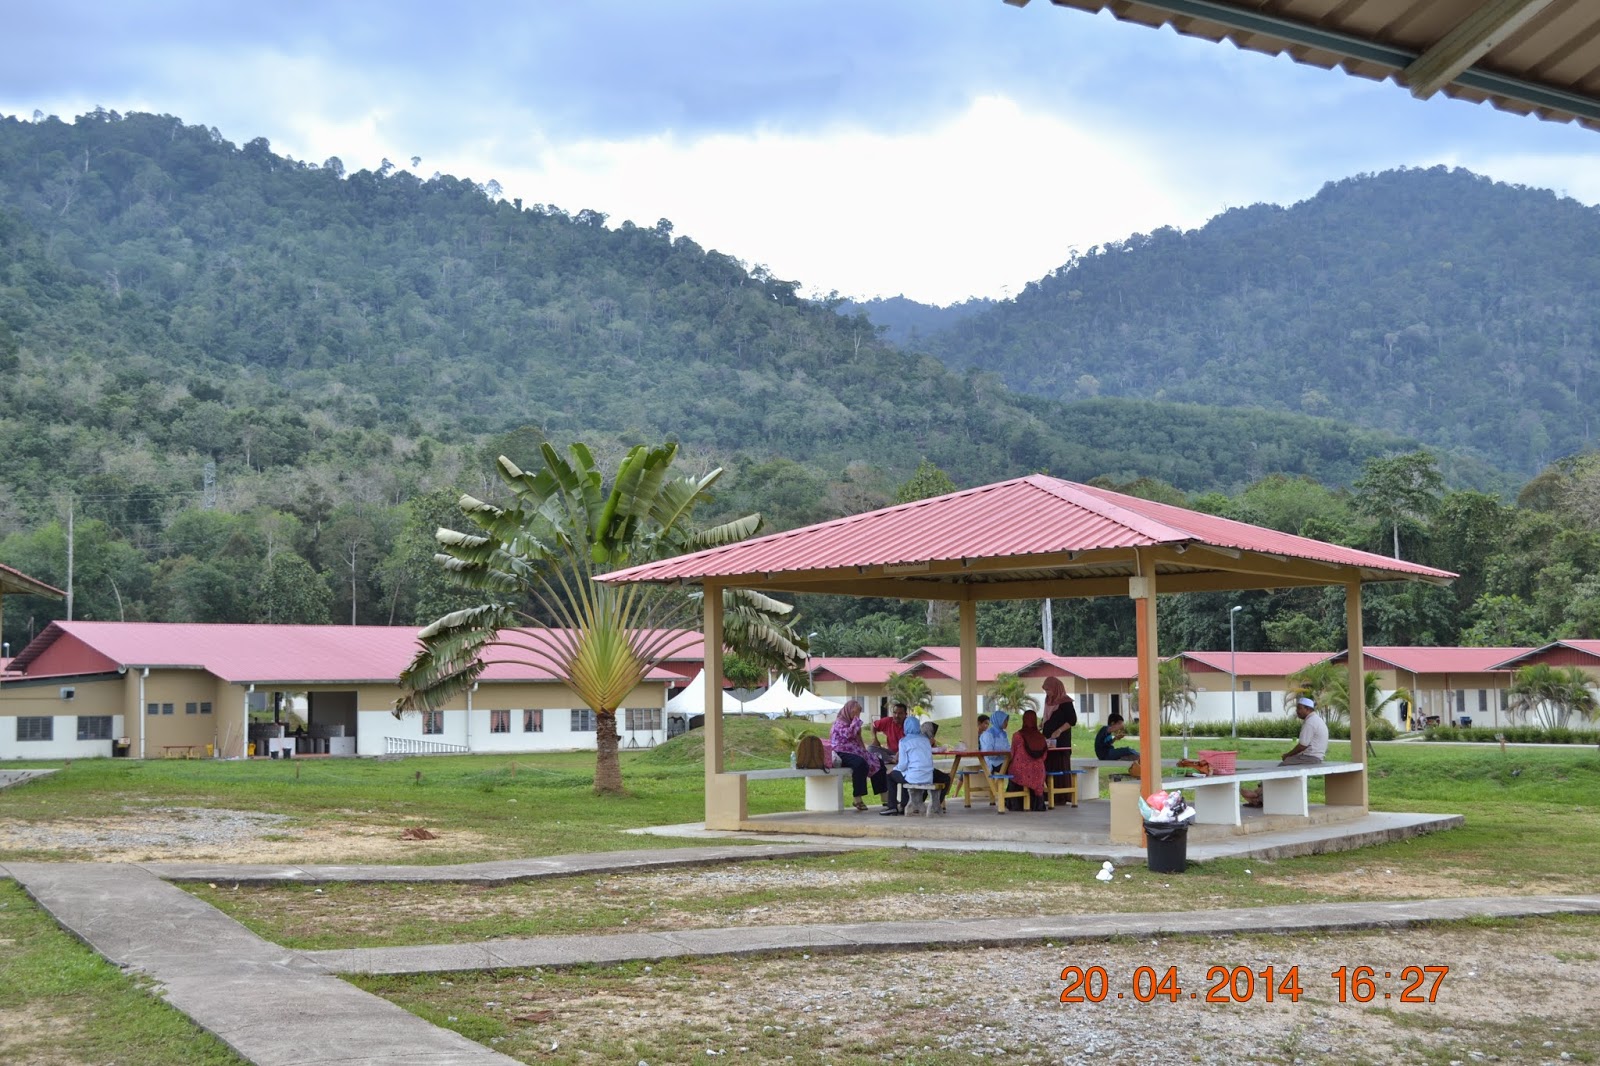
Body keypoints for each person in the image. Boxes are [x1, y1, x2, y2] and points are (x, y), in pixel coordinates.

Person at [881, 715, 950, 815]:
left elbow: (903, 765)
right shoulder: (926, 740)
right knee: (945, 778)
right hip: (928, 776)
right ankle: (933, 804)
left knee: (891, 776)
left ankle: (892, 807)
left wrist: (893, 769)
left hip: (913, 776)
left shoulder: (904, 741)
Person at [829, 699, 888, 812]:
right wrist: (856, 719)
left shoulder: (852, 723)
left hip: (855, 751)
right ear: (847, 711)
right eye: (854, 712)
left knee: (878, 762)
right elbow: (848, 734)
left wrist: (865, 752)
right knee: (860, 764)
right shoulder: (839, 723)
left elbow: (858, 739)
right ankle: (857, 798)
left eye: (858, 712)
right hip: (841, 751)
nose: (856, 715)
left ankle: (885, 797)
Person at [1008, 709, 1051, 811]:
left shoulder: (1017, 736)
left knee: (1012, 770)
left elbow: (1012, 754)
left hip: (1020, 772)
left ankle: (1015, 804)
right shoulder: (1041, 737)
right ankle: (1037, 805)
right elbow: (1044, 756)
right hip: (1038, 773)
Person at [1039, 676, 1077, 778]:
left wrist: (1059, 730)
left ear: (1056, 688)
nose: (1047, 693)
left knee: (1060, 769)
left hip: (1061, 743)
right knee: (1049, 767)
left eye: (1049, 690)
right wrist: (1043, 722)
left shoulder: (1065, 702)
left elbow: (1072, 720)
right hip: (1048, 741)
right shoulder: (1048, 700)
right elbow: (1048, 716)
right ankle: (1049, 793)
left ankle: (1062, 793)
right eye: (1046, 690)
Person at [1281, 696, 1328, 765]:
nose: (1297, 711)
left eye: (1299, 708)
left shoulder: (1310, 722)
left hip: (1311, 758)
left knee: (1283, 766)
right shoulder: (1315, 719)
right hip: (1315, 757)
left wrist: (1287, 755)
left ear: (1308, 709)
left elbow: (1302, 746)